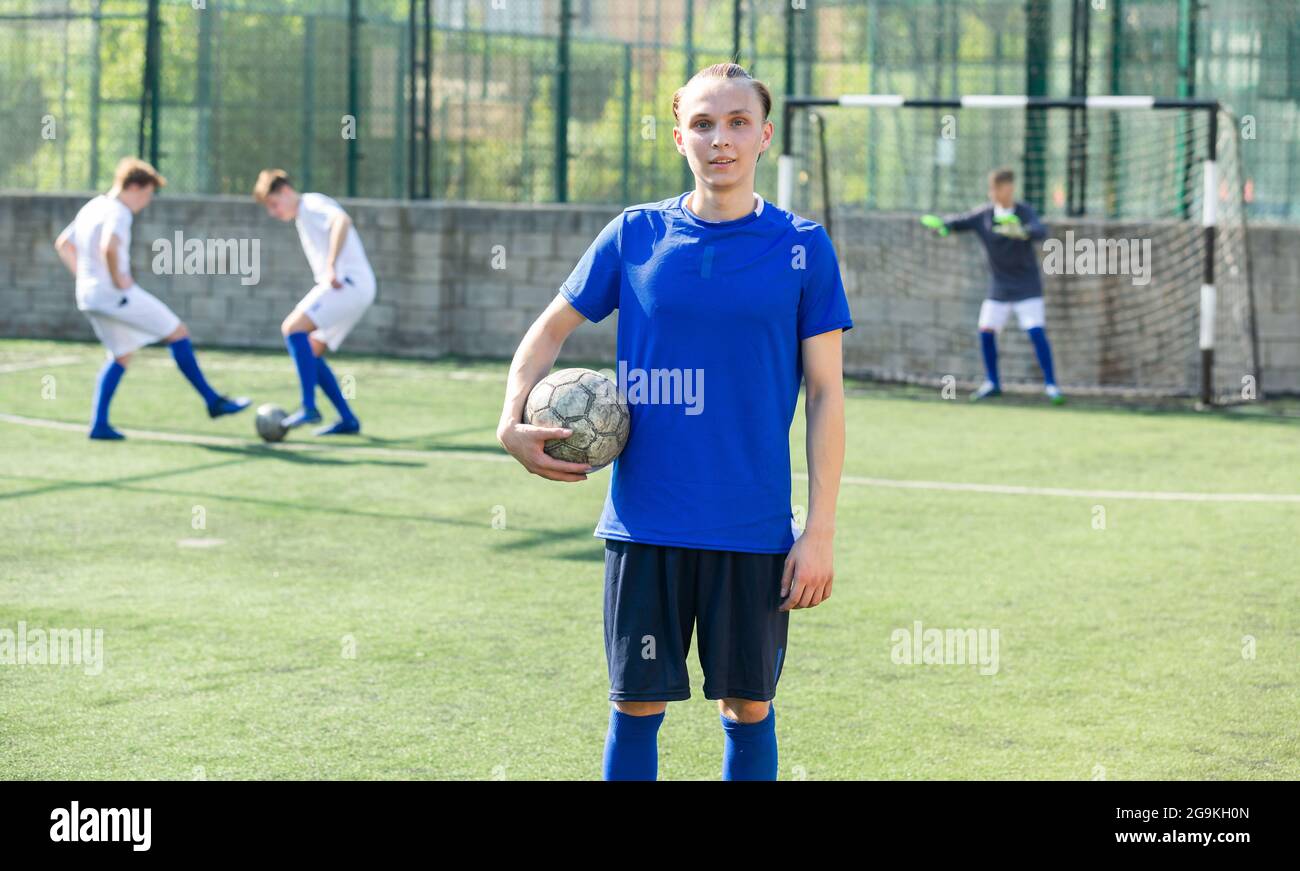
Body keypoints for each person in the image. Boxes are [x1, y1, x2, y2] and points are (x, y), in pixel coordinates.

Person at [496, 63, 853, 781]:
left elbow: (825, 395)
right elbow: (547, 330)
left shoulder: (802, 248)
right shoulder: (636, 234)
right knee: (635, 705)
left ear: (764, 136)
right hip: (645, 523)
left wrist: (817, 532)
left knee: (747, 704)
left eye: (736, 123)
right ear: (677, 134)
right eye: (702, 123)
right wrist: (510, 418)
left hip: (751, 530)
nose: (719, 139)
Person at [54, 157, 249, 440]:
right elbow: (110, 246)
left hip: (89, 296)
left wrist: (83, 278)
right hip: (115, 294)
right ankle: (213, 401)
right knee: (178, 332)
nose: (146, 202)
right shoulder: (119, 211)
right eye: (146, 194)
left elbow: (63, 244)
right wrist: (118, 279)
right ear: (133, 186)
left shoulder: (92, 206)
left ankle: (99, 425)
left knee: (121, 356)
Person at [922, 168, 1064, 404]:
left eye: (1003, 188)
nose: (997, 193)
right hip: (999, 287)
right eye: (994, 188)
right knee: (986, 331)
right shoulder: (984, 215)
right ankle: (992, 383)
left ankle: (1051, 386)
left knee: (1036, 332)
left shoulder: (1024, 212)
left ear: (1010, 189)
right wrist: (942, 227)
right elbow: (957, 222)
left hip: (1027, 285)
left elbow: (1040, 230)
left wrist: (1022, 231)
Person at [253, 169, 375, 435]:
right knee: (311, 349)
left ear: (285, 191)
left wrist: (331, 265)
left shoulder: (311, 204)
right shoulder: (303, 215)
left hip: (346, 283)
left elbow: (341, 220)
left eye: (274, 204)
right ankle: (348, 420)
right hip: (357, 287)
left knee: (292, 328)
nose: (273, 212)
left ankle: (308, 407)